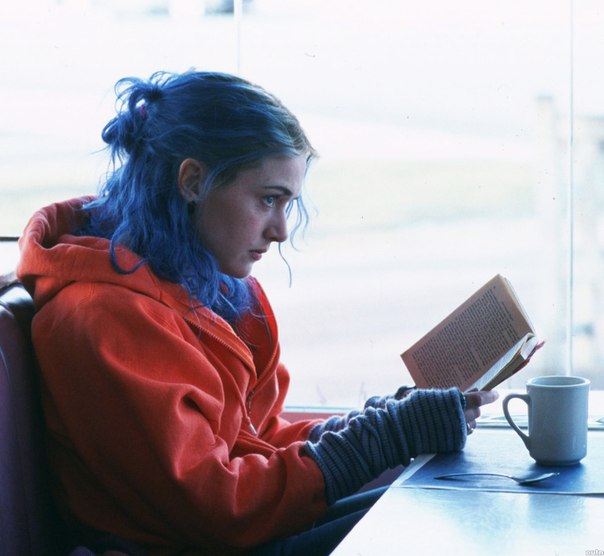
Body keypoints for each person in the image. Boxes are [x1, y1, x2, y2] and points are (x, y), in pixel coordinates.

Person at [16, 70, 498, 556]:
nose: (281, 231)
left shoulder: (211, 290)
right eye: (268, 199)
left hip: (235, 537)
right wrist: (384, 438)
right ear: (193, 181)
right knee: (432, 526)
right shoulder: (101, 318)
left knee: (431, 504)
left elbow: (260, 440)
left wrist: (386, 423)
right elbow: (219, 508)